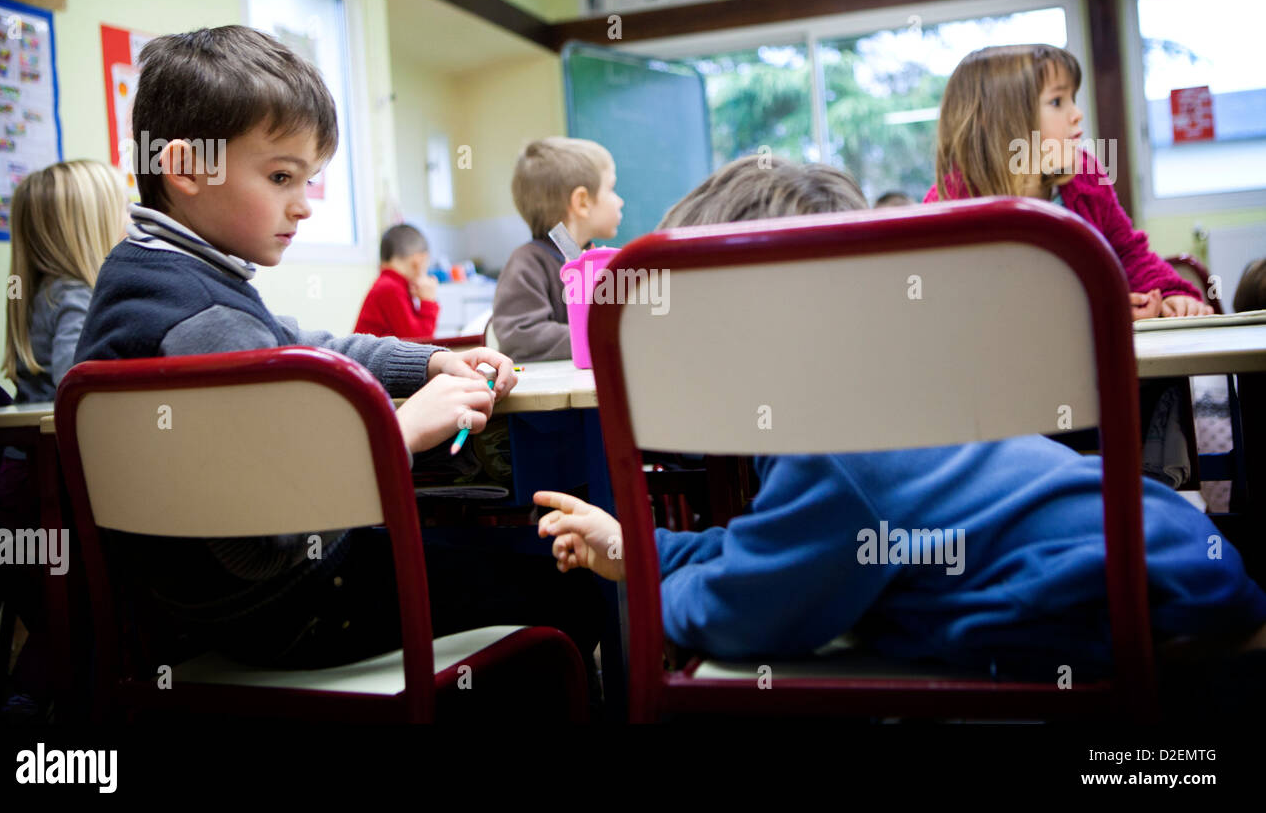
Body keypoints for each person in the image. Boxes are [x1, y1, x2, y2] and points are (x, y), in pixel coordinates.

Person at [534, 154, 1266, 697]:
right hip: (1166, 559)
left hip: (1157, 622)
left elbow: (751, 615)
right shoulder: (869, 404)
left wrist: (650, 590)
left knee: (875, 636)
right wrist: (647, 548)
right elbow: (780, 546)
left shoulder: (833, 452)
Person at [73, 26, 602, 683]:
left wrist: (429, 362)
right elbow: (265, 528)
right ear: (185, 168)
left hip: (206, 612)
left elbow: (307, 345)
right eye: (280, 176)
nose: (303, 206)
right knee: (573, 572)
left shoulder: (151, 279)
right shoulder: (203, 321)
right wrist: (398, 431)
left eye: (310, 179)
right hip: (292, 608)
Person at [926, 44, 1212, 320]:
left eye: (1072, 99)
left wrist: (1171, 294)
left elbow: (1127, 252)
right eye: (1056, 101)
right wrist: (1102, 310)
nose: (1077, 114)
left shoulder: (1086, 176)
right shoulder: (949, 204)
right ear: (997, 120)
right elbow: (961, 304)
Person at [0, 159, 126, 720]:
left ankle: (34, 696)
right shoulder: (74, 294)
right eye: (118, 213)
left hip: (21, 482)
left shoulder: (40, 292)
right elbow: (82, 388)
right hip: (52, 489)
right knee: (84, 604)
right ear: (91, 227)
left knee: (59, 612)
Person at [492, 137, 623, 361]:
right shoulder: (528, 263)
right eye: (611, 189)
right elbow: (519, 335)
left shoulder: (595, 263)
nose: (619, 201)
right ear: (582, 201)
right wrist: (601, 337)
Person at [354, 223, 439, 338]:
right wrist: (428, 302)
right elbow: (419, 342)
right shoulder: (390, 288)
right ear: (419, 259)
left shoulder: (389, 284)